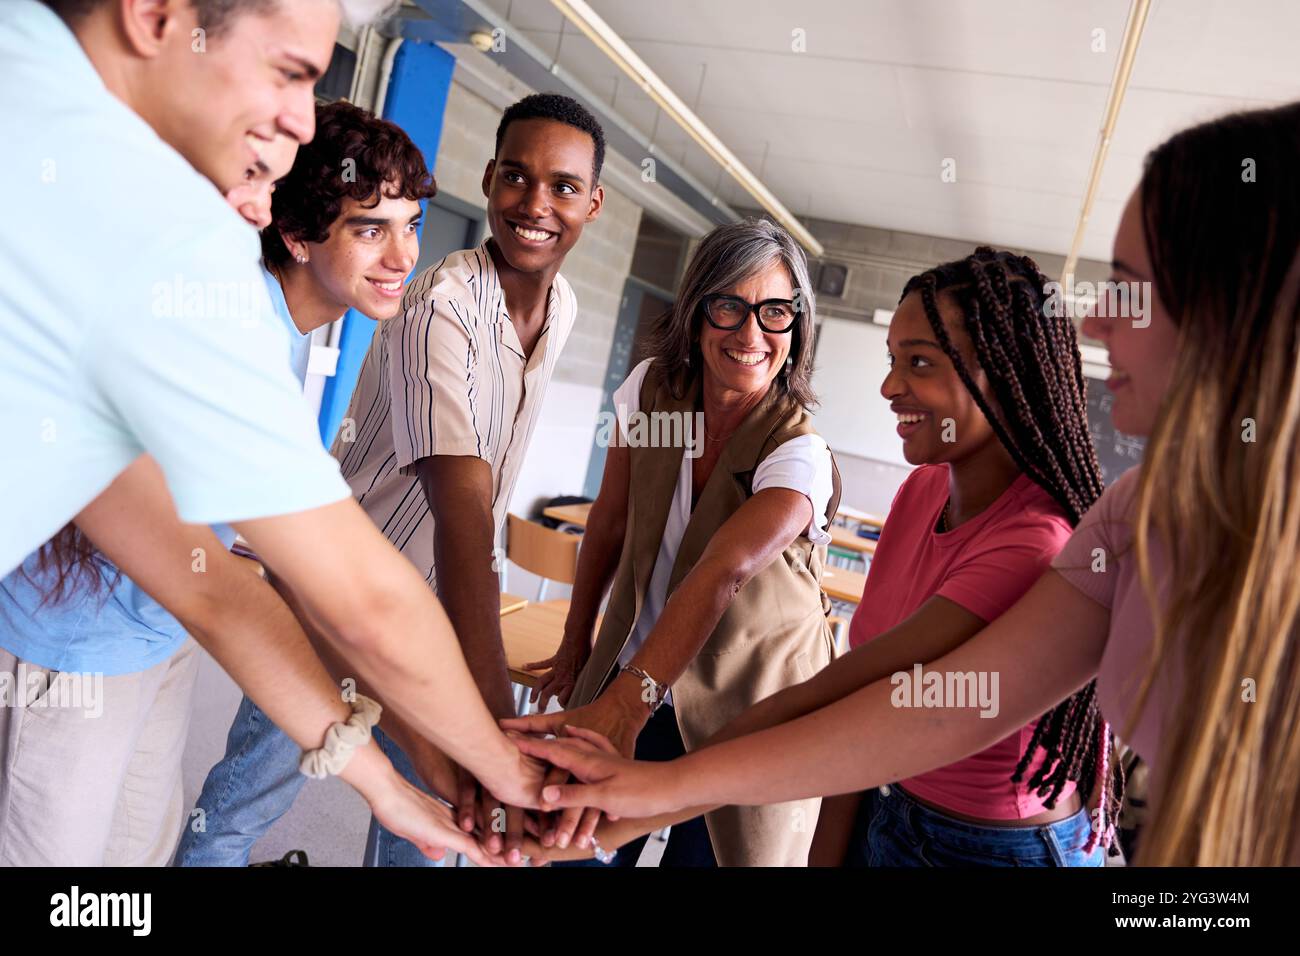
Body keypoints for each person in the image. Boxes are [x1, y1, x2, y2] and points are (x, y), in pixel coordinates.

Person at [515, 102, 1300, 867]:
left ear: (1246, 304)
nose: (1096, 327)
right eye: (727, 309)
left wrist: (650, 765)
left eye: (1132, 289)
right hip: (887, 808)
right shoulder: (1114, 514)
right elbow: (882, 698)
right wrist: (640, 794)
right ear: (694, 316)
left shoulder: (815, 456)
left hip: (985, 840)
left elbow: (744, 585)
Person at [1, 0, 545, 861]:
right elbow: (348, 597)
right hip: (71, 647)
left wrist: (400, 783)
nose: (296, 118)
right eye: (291, 72)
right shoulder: (173, 271)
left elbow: (211, 584)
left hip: (153, 628)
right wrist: (505, 772)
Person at [180, 93, 606, 868]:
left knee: (430, 830)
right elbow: (462, 511)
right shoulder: (437, 306)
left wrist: (474, 742)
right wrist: (494, 726)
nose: (536, 203)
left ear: (594, 201)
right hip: (333, 593)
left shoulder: (565, 308)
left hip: (437, 620)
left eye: (564, 186)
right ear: (489, 180)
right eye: (516, 176)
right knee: (249, 798)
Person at [506, 218, 840, 867]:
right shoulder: (657, 394)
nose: (750, 335)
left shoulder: (797, 452)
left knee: (713, 853)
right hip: (638, 665)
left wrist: (629, 708)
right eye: (729, 307)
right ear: (696, 312)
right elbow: (609, 520)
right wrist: (578, 641)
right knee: (569, 843)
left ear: (797, 327)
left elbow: (726, 570)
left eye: (775, 312)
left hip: (745, 700)